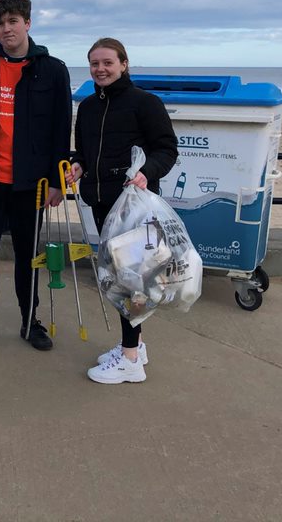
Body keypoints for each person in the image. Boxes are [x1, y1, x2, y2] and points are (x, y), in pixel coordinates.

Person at [0, 0, 72, 351]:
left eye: (12, 21)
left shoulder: (53, 70)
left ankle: (29, 320)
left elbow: (60, 128)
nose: (6, 29)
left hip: (31, 182)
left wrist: (57, 181)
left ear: (27, 23)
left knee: (27, 255)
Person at [69, 37, 179, 384]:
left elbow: (167, 149)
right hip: (102, 203)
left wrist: (147, 173)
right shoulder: (87, 107)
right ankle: (135, 346)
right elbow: (84, 153)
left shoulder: (145, 103)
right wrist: (79, 167)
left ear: (123, 64)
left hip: (134, 208)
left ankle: (130, 360)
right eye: (95, 63)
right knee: (118, 276)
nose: (100, 69)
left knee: (131, 280)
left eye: (108, 63)